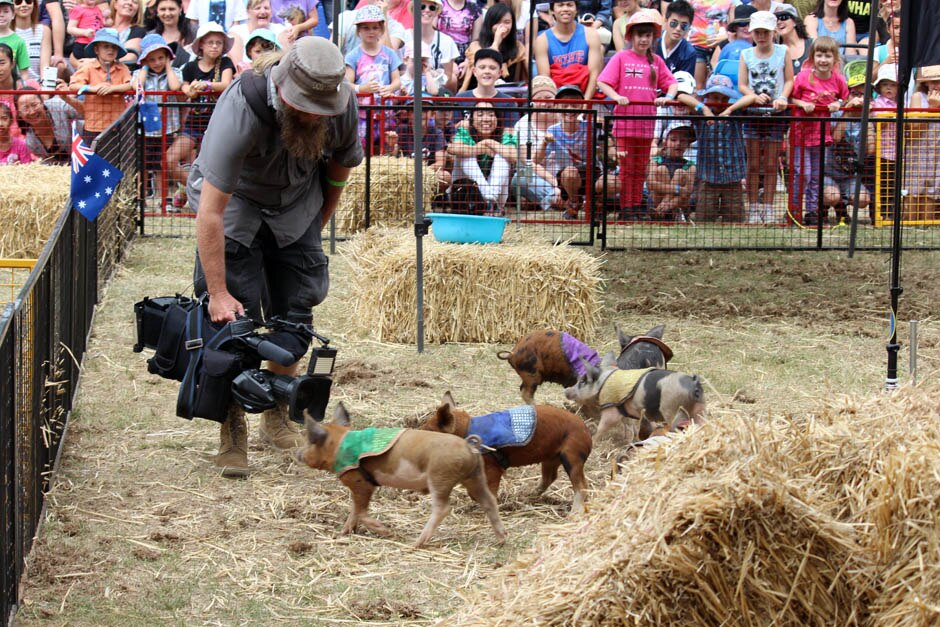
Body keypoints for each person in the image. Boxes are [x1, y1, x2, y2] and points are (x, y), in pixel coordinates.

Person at [187, 36, 363, 477]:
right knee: (231, 326)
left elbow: (338, 174)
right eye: (304, 106)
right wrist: (218, 292)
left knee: (296, 313)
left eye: (321, 108)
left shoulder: (343, 104)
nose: (313, 115)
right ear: (282, 87)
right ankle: (231, 429)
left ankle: (277, 414)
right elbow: (210, 211)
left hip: (297, 204)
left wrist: (313, 228)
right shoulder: (242, 104)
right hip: (236, 205)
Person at [596, 9, 677, 220]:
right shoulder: (621, 57)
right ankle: (626, 208)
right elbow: (602, 81)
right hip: (624, 124)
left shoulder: (656, 61)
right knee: (627, 168)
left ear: (653, 37)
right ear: (631, 36)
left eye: (648, 35)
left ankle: (637, 205)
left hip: (646, 124)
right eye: (640, 35)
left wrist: (668, 97)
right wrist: (616, 96)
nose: (644, 39)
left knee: (641, 168)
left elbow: (672, 83)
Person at [166, 21, 234, 208]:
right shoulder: (190, 67)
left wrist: (207, 85)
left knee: (212, 167)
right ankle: (196, 188)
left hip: (218, 124)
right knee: (170, 159)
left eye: (219, 43)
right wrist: (187, 89)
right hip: (194, 122)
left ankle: (196, 193)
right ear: (201, 45)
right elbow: (184, 87)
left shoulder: (225, 63)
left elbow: (226, 84)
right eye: (210, 42)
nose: (214, 46)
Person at [737, 10, 792, 224]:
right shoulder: (746, 54)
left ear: (773, 32)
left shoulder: (783, 51)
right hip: (753, 113)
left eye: (765, 32)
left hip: (776, 114)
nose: (761, 36)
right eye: (757, 32)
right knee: (752, 164)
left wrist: (783, 97)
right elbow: (742, 84)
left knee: (771, 164)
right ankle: (752, 207)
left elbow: (789, 79)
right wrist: (752, 96)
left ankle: (768, 207)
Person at [789, 35, 848, 225]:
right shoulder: (803, 77)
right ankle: (794, 209)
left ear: (835, 59)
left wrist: (838, 104)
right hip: (801, 134)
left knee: (816, 175)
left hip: (821, 135)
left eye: (828, 56)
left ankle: (812, 210)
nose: (823, 60)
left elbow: (844, 97)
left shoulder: (838, 79)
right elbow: (792, 98)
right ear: (813, 57)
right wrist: (802, 104)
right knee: (802, 173)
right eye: (819, 55)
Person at [691, 73, 748, 222]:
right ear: (707, 96)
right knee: (704, 219)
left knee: (735, 219)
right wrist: (704, 109)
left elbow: (752, 98)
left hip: (732, 176)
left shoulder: (735, 113)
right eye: (715, 97)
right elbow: (681, 97)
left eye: (724, 99)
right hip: (708, 176)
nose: (719, 102)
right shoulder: (701, 115)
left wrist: (729, 109)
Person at [132, 34, 182, 202]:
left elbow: (175, 86)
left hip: (166, 129)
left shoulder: (175, 73)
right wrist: (144, 67)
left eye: (161, 58)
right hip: (145, 129)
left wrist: (168, 66)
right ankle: (140, 199)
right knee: (143, 166)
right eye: (152, 59)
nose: (157, 62)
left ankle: (162, 199)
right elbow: (137, 86)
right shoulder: (139, 74)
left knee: (161, 165)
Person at [821, 59, 872, 224]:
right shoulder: (837, 113)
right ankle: (824, 207)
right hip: (828, 173)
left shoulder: (870, 115)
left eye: (863, 94)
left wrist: (867, 118)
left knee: (863, 199)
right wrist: (848, 112)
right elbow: (835, 138)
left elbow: (870, 149)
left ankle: (841, 206)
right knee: (831, 196)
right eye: (854, 93)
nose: (858, 98)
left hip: (850, 175)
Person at [344, 4, 401, 145]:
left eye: (375, 28)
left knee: (388, 145)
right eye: (366, 28)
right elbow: (347, 84)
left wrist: (390, 88)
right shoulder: (353, 56)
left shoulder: (389, 54)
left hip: (385, 112)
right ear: (358, 30)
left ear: (381, 29)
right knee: (361, 147)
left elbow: (397, 81)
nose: (371, 32)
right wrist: (362, 89)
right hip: (362, 114)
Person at [447, 101, 518, 214]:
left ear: (497, 119)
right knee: (465, 155)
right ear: (471, 120)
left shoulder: (505, 135)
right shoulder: (465, 132)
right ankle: (489, 199)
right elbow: (453, 149)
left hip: (498, 194)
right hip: (464, 194)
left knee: (503, 157)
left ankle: (491, 200)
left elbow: (514, 156)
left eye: (491, 115)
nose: (486, 119)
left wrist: (489, 142)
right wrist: (481, 149)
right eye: (480, 115)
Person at [540, 83, 597, 219]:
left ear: (582, 106)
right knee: (570, 171)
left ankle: (597, 203)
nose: (570, 109)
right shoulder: (552, 130)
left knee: (612, 182)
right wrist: (544, 142)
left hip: (592, 173)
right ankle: (574, 202)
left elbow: (606, 150)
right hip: (567, 177)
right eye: (565, 105)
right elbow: (535, 160)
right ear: (557, 107)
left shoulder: (592, 127)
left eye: (574, 105)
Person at [68, 28, 133, 144]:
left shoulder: (122, 68)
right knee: (93, 154)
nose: (110, 50)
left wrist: (112, 89)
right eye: (106, 46)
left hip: (116, 125)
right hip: (93, 125)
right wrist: (92, 89)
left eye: (114, 47)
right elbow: (73, 86)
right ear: (96, 49)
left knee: (116, 155)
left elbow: (131, 85)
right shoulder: (88, 67)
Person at [512, 74, 561, 211]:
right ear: (532, 102)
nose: (544, 103)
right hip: (536, 175)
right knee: (519, 179)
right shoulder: (522, 124)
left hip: (564, 174)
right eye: (539, 99)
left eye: (548, 98)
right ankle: (557, 198)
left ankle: (555, 200)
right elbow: (528, 162)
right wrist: (555, 183)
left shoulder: (565, 118)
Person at [534, 0, 603, 98]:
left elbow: (594, 74)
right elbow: (546, 79)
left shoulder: (591, 34)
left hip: (585, 95)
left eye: (569, 5)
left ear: (576, 9)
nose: (565, 9)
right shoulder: (542, 40)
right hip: (556, 98)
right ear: (552, 10)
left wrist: (585, 103)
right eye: (560, 5)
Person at [460, 3, 526, 90]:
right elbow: (488, 63)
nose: (502, 27)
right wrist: (496, 42)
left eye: (507, 22)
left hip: (508, 94)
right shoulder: (476, 46)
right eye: (497, 22)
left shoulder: (518, 47)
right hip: (478, 92)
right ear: (489, 24)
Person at [403, 0, 459, 93]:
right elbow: (395, 71)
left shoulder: (446, 41)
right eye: (422, 7)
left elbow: (448, 77)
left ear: (436, 12)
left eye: (432, 8)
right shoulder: (403, 37)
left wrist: (430, 81)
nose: (427, 10)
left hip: (435, 91)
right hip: (406, 89)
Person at [907, 65, 940, 222]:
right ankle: (911, 224)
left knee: (933, 188)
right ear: (925, 82)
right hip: (918, 150)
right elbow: (913, 129)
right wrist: (932, 108)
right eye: (933, 81)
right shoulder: (918, 97)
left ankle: (926, 225)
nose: (937, 85)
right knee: (914, 188)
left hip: (937, 151)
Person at [647, 120, 695, 220]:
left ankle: (663, 210)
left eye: (683, 141)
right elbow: (651, 184)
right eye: (673, 140)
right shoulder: (656, 160)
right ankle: (662, 211)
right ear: (665, 142)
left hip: (677, 204)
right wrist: (677, 189)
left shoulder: (690, 165)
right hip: (657, 200)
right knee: (662, 169)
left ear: (688, 144)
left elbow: (687, 191)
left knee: (680, 172)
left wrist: (667, 204)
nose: (678, 144)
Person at [14, 87, 79, 162]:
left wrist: (69, 98)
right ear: (19, 114)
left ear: (42, 102)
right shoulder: (31, 142)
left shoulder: (58, 106)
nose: (32, 112)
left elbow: (84, 114)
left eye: (34, 105)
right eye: (25, 109)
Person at [870, 61, 897, 223]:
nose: (889, 88)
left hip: (896, 151)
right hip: (882, 152)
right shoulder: (877, 103)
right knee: (880, 184)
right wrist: (892, 116)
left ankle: (890, 214)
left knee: (892, 185)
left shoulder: (900, 104)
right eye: (885, 84)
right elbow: (878, 122)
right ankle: (877, 214)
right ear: (879, 87)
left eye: (892, 85)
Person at [229, 0, 285, 68]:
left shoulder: (281, 30)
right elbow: (238, 67)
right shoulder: (236, 32)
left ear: (271, 12)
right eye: (258, 8)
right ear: (248, 12)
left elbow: (285, 64)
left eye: (266, 8)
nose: (263, 12)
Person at [655, 0, 701, 78]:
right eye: (674, 23)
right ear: (666, 21)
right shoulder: (652, 42)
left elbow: (684, 83)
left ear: (689, 26)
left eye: (684, 26)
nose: (678, 29)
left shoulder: (689, 53)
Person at [12, 0, 50, 81]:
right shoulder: (6, 32)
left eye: (28, 1)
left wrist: (43, 87)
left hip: (37, 84)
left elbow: (45, 66)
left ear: (34, 4)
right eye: (18, 2)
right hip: (13, 85)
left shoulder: (44, 30)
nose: (24, 4)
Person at [151, 0, 195, 68]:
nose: (167, 13)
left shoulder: (194, 32)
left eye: (171, 9)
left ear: (180, 9)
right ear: (157, 11)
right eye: (163, 9)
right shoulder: (151, 37)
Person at [775, 3, 812, 75]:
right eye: (776, 19)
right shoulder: (775, 51)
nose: (779, 22)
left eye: (783, 17)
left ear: (795, 21)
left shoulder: (813, 44)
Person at [65, 0, 104, 67]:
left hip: (96, 44)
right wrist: (84, 32)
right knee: (86, 66)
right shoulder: (78, 9)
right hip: (83, 45)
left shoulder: (97, 9)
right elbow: (70, 28)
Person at [0, 0, 29, 75]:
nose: (1, 15)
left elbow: (24, 73)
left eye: (6, 11)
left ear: (13, 15)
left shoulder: (19, 41)